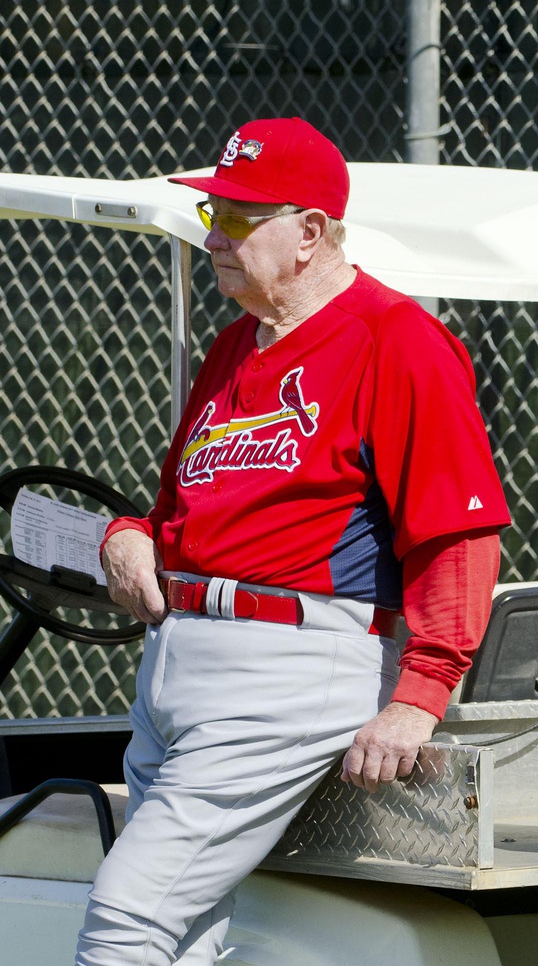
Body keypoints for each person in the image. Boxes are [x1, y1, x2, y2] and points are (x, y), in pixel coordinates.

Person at [77, 117, 511, 966]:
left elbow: (458, 535)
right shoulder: (235, 342)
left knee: (127, 915)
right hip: (179, 657)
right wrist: (128, 537)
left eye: (238, 218)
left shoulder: (396, 338)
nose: (215, 237)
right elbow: (179, 511)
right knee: (183, 932)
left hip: (290, 660)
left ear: (310, 231)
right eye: (213, 215)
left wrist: (420, 693)